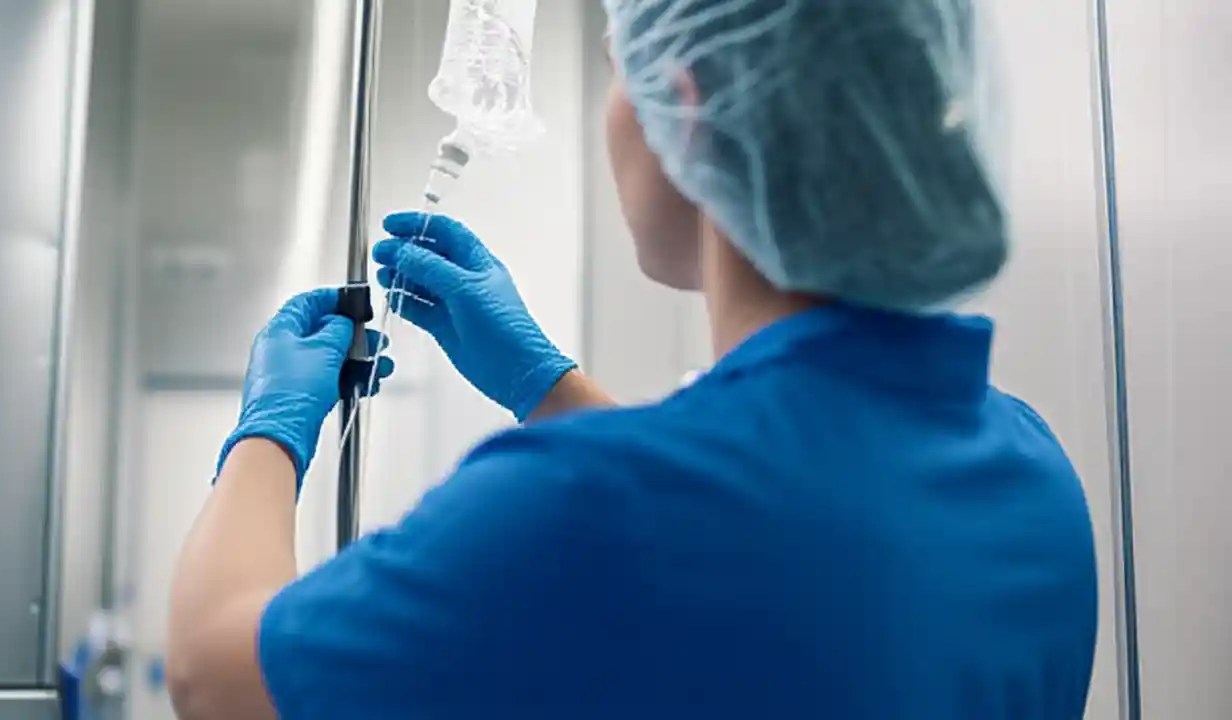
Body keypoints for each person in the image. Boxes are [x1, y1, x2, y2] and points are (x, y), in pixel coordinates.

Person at [166, 0, 1097, 718]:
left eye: (624, 73)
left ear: (687, 111)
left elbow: (216, 674)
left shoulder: (585, 506)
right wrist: (547, 385)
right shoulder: (1029, 471)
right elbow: (759, 529)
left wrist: (271, 427)